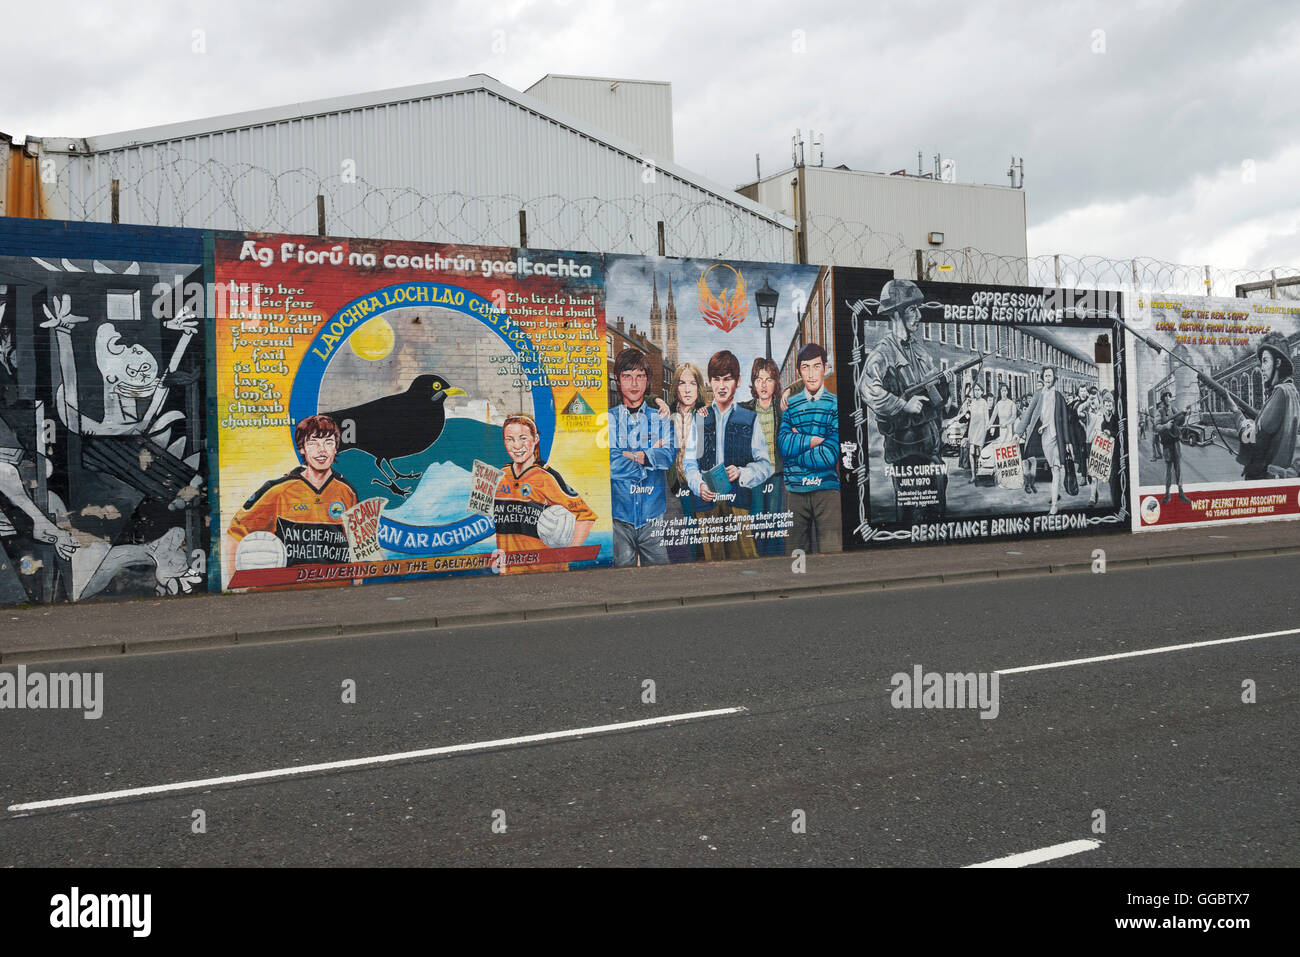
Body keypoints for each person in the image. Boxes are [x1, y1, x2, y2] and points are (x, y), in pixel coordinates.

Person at [857, 279, 955, 524]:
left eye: (917, 309)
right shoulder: (884, 352)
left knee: (937, 518)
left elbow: (936, 400)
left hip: (930, 452)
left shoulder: (919, 350)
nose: (918, 315)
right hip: (905, 455)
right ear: (897, 314)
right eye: (912, 309)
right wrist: (903, 405)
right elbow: (867, 388)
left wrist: (944, 383)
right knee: (912, 522)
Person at [227, 414, 359, 566]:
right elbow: (236, 532)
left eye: (328, 442)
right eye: (313, 443)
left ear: (335, 448)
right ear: (302, 448)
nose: (321, 450)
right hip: (288, 587)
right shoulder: (278, 490)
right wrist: (236, 582)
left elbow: (358, 546)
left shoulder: (347, 492)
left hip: (336, 585)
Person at [683, 350, 773, 561]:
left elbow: (765, 465)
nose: (721, 386)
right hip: (707, 505)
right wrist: (699, 486)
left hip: (738, 502)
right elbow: (690, 463)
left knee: (746, 558)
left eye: (727, 379)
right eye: (716, 379)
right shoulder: (701, 419)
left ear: (738, 381)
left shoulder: (749, 418)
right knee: (712, 563)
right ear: (710, 382)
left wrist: (742, 472)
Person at [493, 413, 596, 574]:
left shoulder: (547, 477)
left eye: (523, 438)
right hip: (510, 573)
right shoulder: (500, 475)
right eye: (510, 439)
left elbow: (586, 517)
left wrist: (567, 554)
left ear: (535, 440)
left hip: (545, 573)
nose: (517, 445)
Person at [608, 347, 675, 566]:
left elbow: (667, 455)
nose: (634, 384)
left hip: (652, 516)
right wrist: (647, 456)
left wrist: (629, 454)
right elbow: (610, 463)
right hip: (619, 517)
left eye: (640, 377)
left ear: (647, 381)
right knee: (623, 581)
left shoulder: (661, 418)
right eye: (627, 377)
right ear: (618, 381)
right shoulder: (608, 420)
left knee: (660, 578)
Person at [1235, 332, 1300, 480]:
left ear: (1277, 363)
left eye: (1265, 361)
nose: (1262, 367)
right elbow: (1268, 424)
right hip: (1276, 474)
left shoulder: (1280, 392)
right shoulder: (1291, 391)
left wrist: (1236, 414)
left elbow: (1253, 439)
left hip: (1263, 475)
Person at [740, 357, 787, 556]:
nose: (763, 384)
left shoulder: (781, 408)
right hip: (756, 475)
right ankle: (758, 561)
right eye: (759, 379)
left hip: (776, 474)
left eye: (768, 379)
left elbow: (802, 384)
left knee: (776, 521)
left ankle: (776, 562)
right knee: (757, 520)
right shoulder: (745, 409)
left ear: (775, 382)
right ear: (753, 383)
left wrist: (790, 390)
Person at [664, 361, 709, 560]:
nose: (687, 389)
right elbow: (644, 399)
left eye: (692, 383)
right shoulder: (667, 414)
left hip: (698, 482)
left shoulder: (706, 414)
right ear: (676, 388)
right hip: (674, 484)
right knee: (679, 533)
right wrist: (657, 401)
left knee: (699, 532)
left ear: (699, 387)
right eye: (682, 383)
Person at [1016, 365, 1073, 514]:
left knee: (1056, 469)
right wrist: (1018, 433)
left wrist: (1067, 442)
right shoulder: (1038, 395)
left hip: (1057, 437)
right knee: (1054, 468)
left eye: (1050, 376)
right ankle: (1056, 493)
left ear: (1054, 378)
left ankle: (1054, 503)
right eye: (1045, 376)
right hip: (1043, 437)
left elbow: (1065, 421)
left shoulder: (1059, 397)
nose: (1048, 378)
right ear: (1043, 378)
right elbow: (1028, 415)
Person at [1153, 390, 1190, 503]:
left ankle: (1181, 493)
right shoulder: (1159, 411)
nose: (1168, 398)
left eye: (1169, 396)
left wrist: (1184, 414)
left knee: (1178, 468)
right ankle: (1167, 494)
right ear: (1163, 398)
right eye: (1166, 396)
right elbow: (1156, 427)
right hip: (1167, 443)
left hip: (1176, 442)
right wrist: (1165, 426)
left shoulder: (1174, 409)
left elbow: (1180, 423)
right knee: (1169, 470)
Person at [1086, 389, 1121, 507]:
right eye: (1106, 404)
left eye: (1110, 404)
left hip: (1114, 452)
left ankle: (1116, 502)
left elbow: (1118, 432)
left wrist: (1110, 433)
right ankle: (1093, 497)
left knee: (1113, 478)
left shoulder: (1116, 418)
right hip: (1102, 449)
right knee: (1095, 473)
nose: (1108, 406)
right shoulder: (1099, 417)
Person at [964, 382, 990, 483]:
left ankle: (980, 473)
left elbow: (986, 418)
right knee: (971, 452)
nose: (977, 392)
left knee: (979, 452)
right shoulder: (972, 402)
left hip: (981, 430)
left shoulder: (984, 402)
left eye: (978, 390)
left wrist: (987, 428)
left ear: (982, 391)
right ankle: (973, 475)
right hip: (973, 429)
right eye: (975, 390)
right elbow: (968, 415)